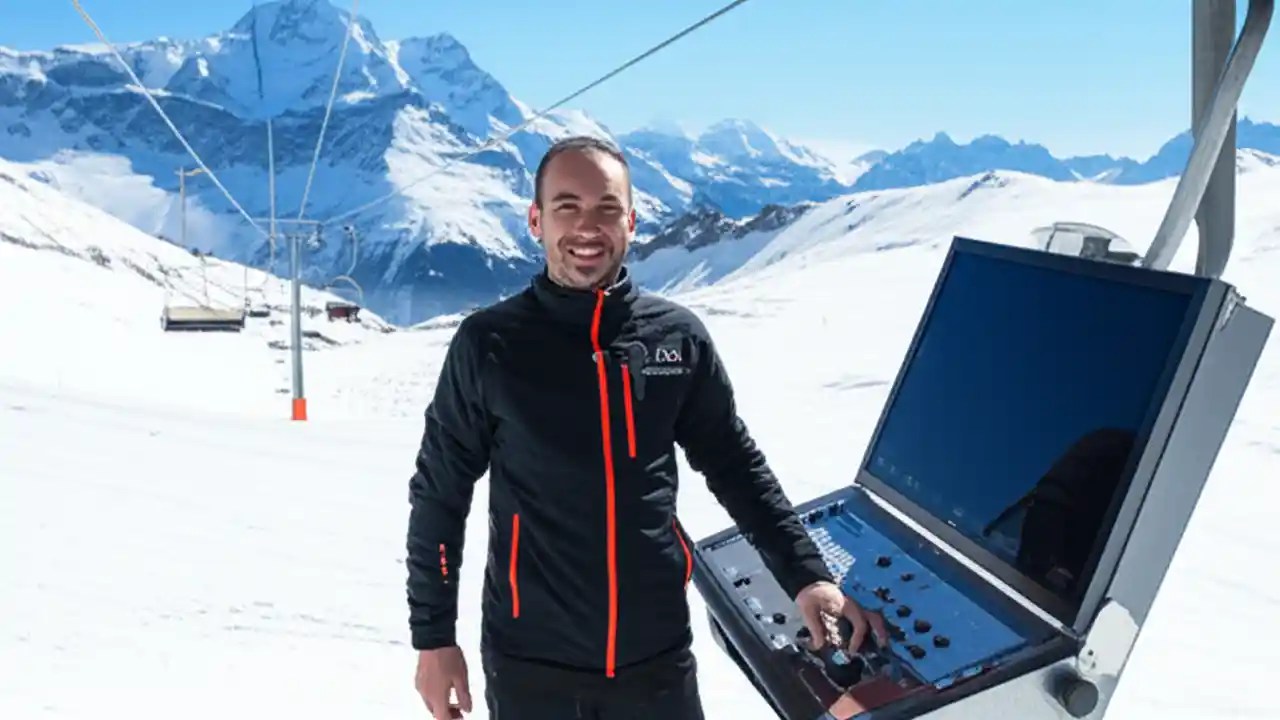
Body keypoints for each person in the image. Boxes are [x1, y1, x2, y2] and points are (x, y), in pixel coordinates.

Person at [406, 135, 886, 720]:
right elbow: (439, 495)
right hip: (531, 669)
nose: (588, 226)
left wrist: (808, 577)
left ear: (631, 221)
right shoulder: (490, 346)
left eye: (607, 207)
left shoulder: (676, 339)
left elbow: (736, 466)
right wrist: (433, 638)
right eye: (567, 206)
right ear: (536, 220)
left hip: (656, 664)